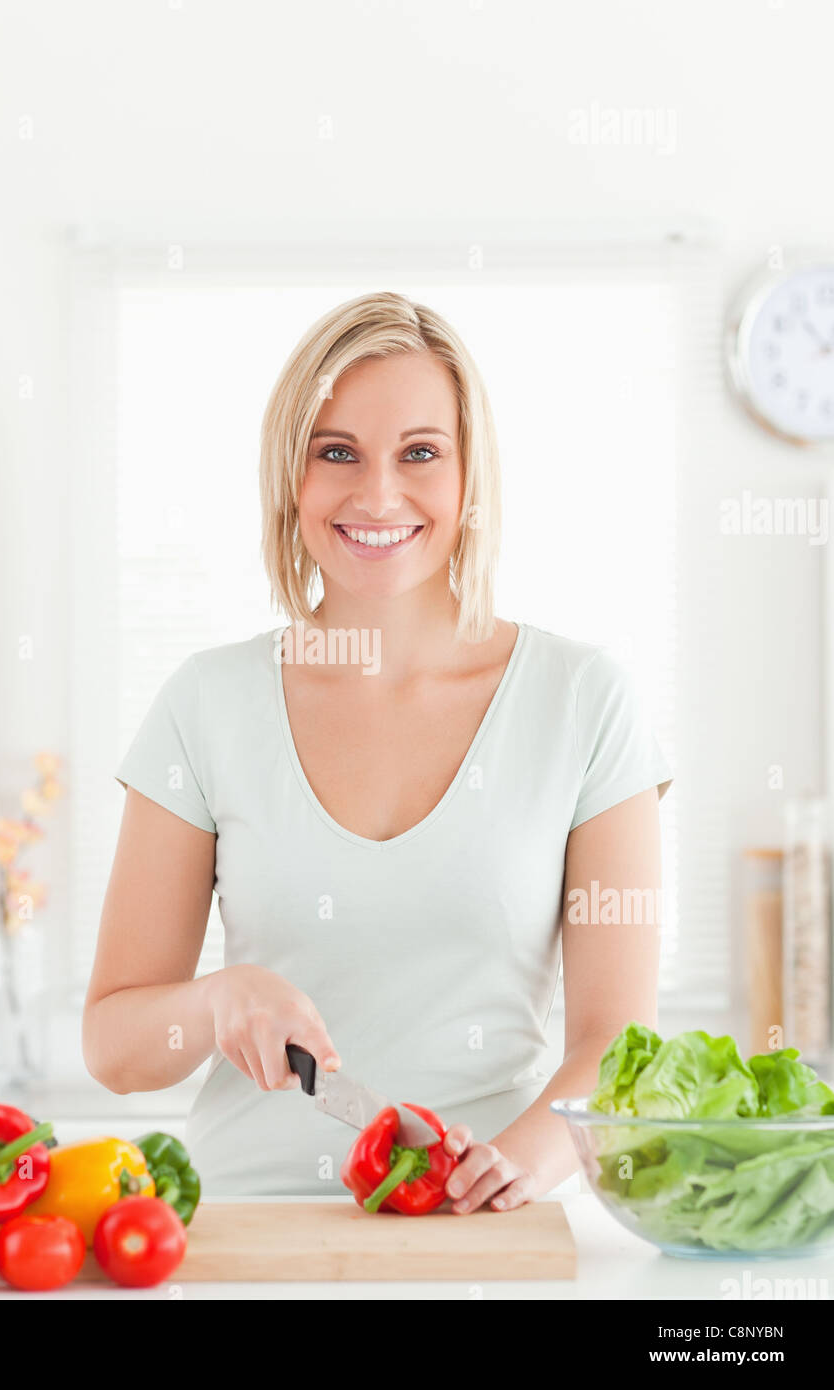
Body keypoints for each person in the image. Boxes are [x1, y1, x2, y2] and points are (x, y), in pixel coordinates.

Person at [82, 290, 673, 1213]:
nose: (377, 494)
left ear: (470, 477)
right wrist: (214, 1001)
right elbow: (115, 1051)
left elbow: (617, 1040)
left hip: (479, 1231)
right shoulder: (206, 702)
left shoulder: (582, 702)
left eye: (420, 453)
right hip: (244, 1234)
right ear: (294, 476)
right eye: (337, 453)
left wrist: (518, 1163)